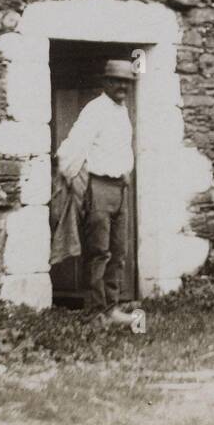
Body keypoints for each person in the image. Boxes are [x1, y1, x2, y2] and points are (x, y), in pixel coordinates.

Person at [53, 59, 140, 325]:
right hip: (98, 187)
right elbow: (70, 150)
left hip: (120, 188)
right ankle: (94, 312)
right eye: (117, 80)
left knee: (118, 251)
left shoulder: (121, 110)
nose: (122, 86)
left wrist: (125, 173)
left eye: (127, 81)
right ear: (106, 82)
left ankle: (111, 308)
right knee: (99, 251)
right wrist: (79, 182)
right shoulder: (95, 109)